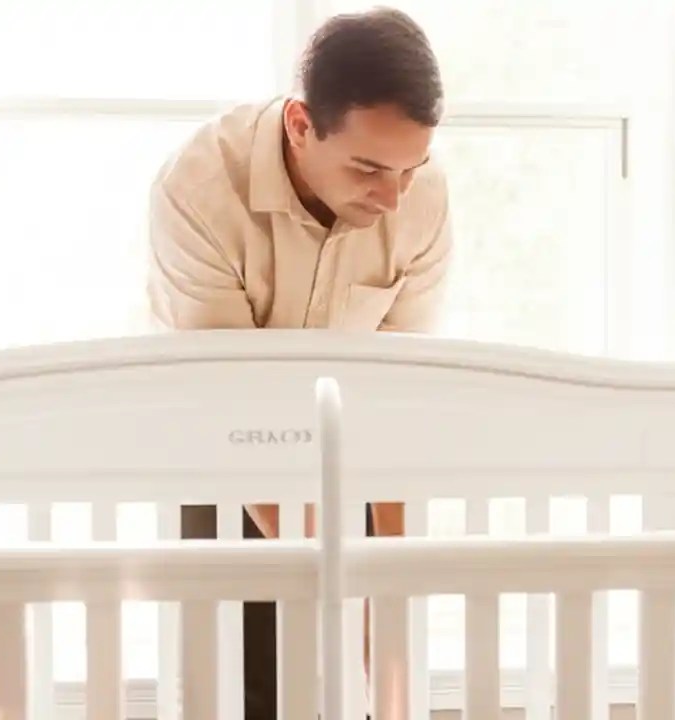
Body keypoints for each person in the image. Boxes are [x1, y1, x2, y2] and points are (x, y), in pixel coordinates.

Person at [145, 6, 451, 718]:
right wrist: (335, 582)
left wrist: (388, 600)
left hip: (356, 448)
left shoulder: (421, 198)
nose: (392, 196)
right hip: (223, 450)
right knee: (247, 683)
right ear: (299, 125)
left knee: (369, 683)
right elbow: (227, 399)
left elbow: (402, 391)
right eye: (369, 167)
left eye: (412, 168)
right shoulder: (196, 190)